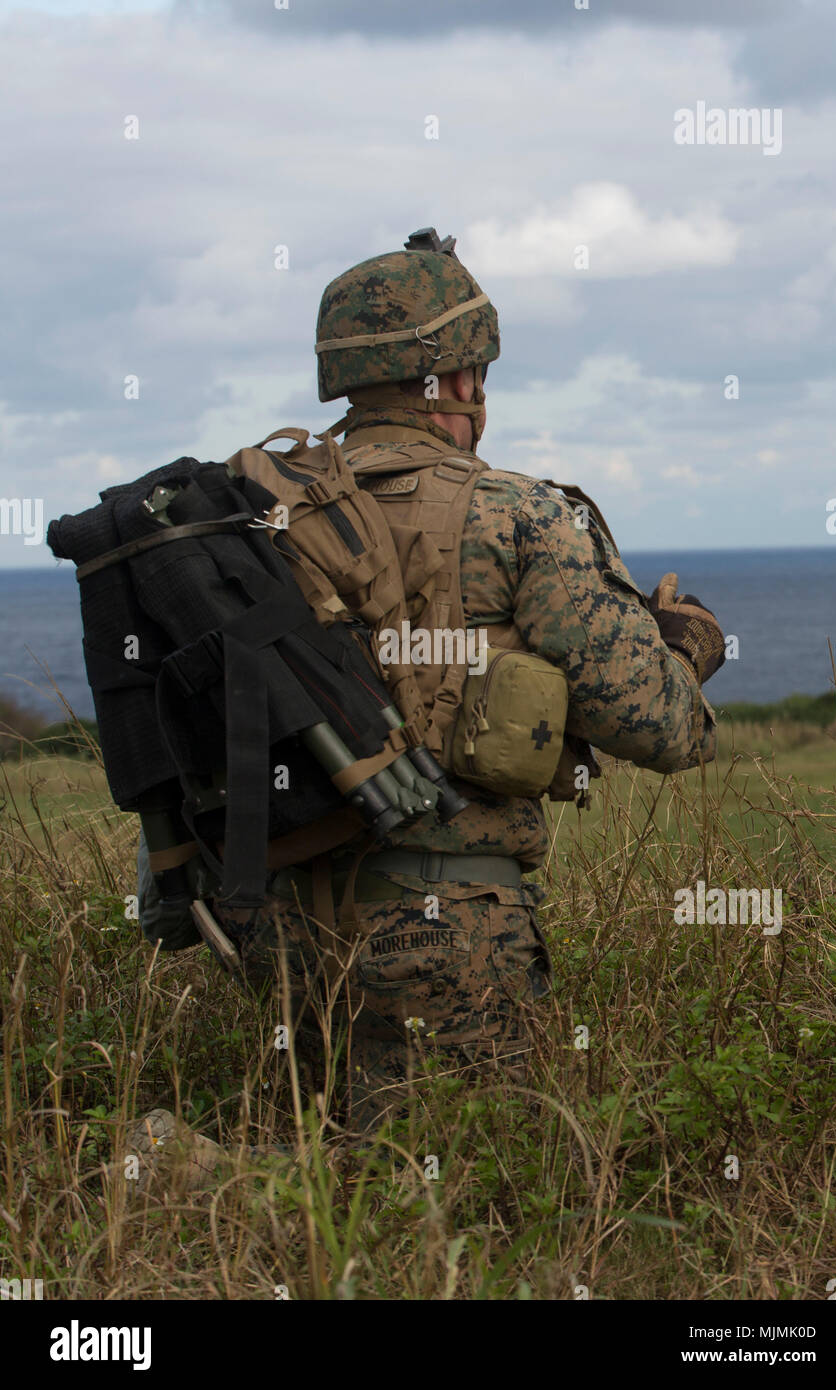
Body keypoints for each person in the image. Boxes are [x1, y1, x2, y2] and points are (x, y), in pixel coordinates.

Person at [144, 228, 726, 1136]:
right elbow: (658, 726)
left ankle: (186, 1191)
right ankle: (176, 1170)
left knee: (325, 1170)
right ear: (458, 380)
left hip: (273, 920)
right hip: (445, 921)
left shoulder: (248, 513)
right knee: (471, 1194)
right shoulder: (520, 512)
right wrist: (687, 649)